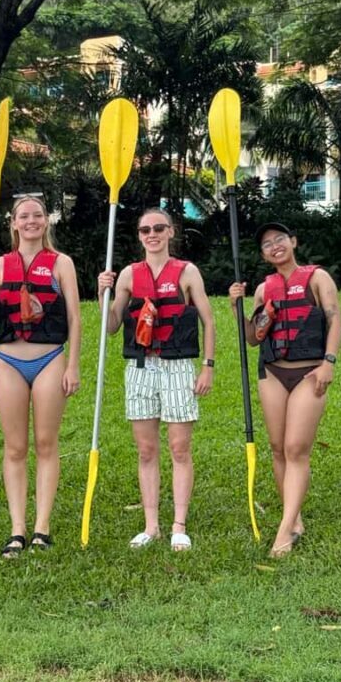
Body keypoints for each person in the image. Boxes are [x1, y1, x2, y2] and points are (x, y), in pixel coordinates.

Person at [97, 208, 215, 552]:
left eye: (158, 228)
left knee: (179, 448)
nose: (152, 234)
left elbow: (208, 321)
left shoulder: (187, 272)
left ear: (170, 232)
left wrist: (207, 366)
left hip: (178, 365)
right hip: (140, 367)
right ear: (138, 235)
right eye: (145, 229)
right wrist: (103, 293)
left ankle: (179, 524)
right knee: (146, 450)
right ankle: (151, 526)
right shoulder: (130, 276)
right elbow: (112, 324)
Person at [228, 222, 341, 558]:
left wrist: (329, 362)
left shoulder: (317, 278)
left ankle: (283, 529)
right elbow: (253, 338)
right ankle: (295, 518)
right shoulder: (265, 289)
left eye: (280, 239)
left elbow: (335, 320)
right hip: (273, 372)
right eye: (267, 244)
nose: (275, 246)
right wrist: (238, 307)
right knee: (277, 448)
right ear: (264, 255)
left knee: (296, 448)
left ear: (293, 242)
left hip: (309, 372)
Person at [0, 196, 81, 558]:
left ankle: (42, 527)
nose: (32, 221)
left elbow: (74, 318)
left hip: (50, 359)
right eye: (25, 216)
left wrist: (73, 365)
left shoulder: (61, 263)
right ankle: (17, 528)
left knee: (45, 443)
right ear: (14, 223)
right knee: (15, 447)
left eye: (37, 215)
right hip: (9, 361)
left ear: (46, 221)